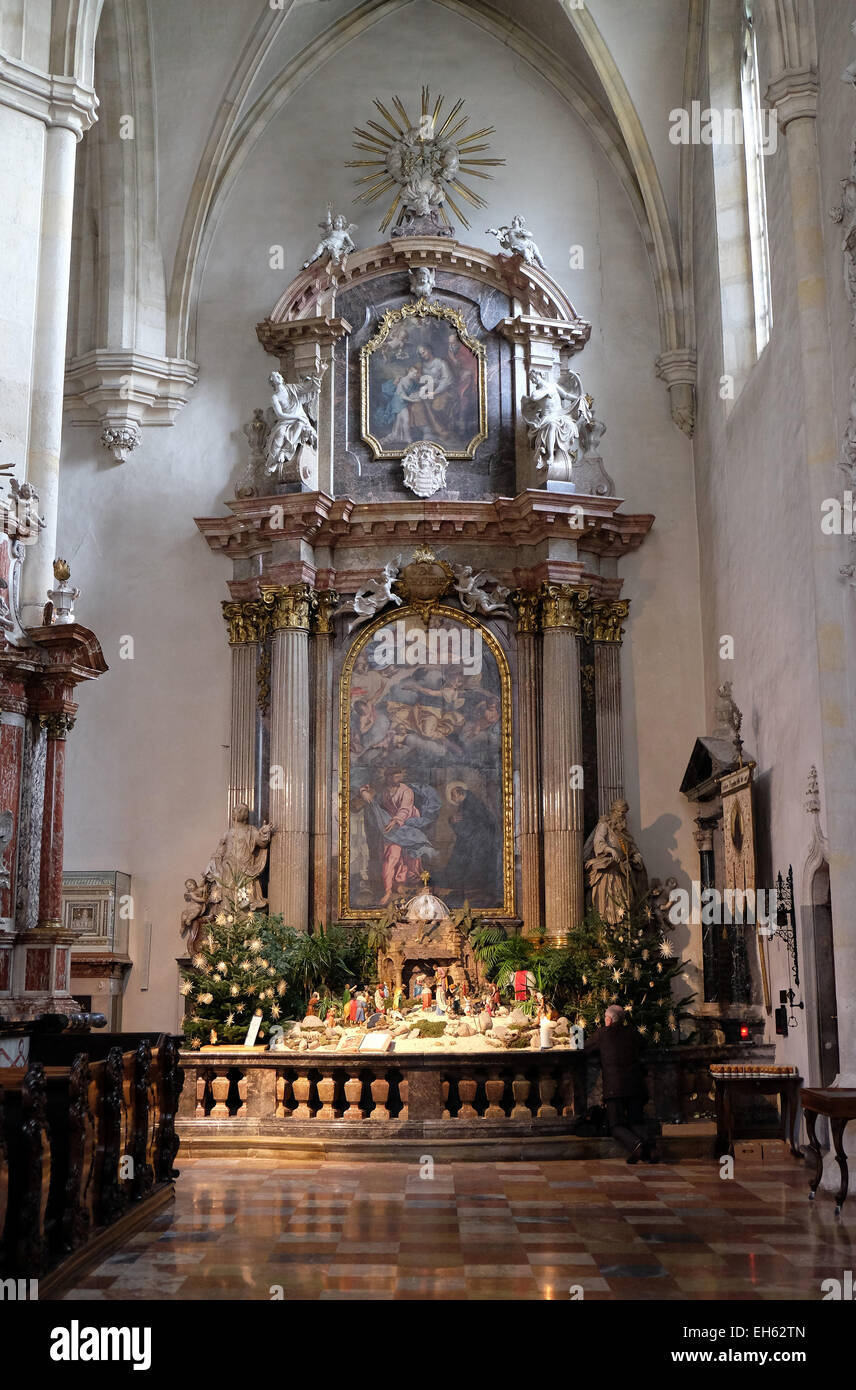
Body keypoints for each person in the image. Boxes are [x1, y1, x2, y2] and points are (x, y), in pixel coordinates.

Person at [584, 1004, 659, 1163]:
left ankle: (636, 1146)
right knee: (636, 1121)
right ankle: (652, 1148)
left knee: (616, 1125)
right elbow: (644, 1045)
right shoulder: (632, 1033)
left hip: (614, 1087)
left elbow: (585, 1049)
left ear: (609, 1020)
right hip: (635, 1084)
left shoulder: (603, 1034)